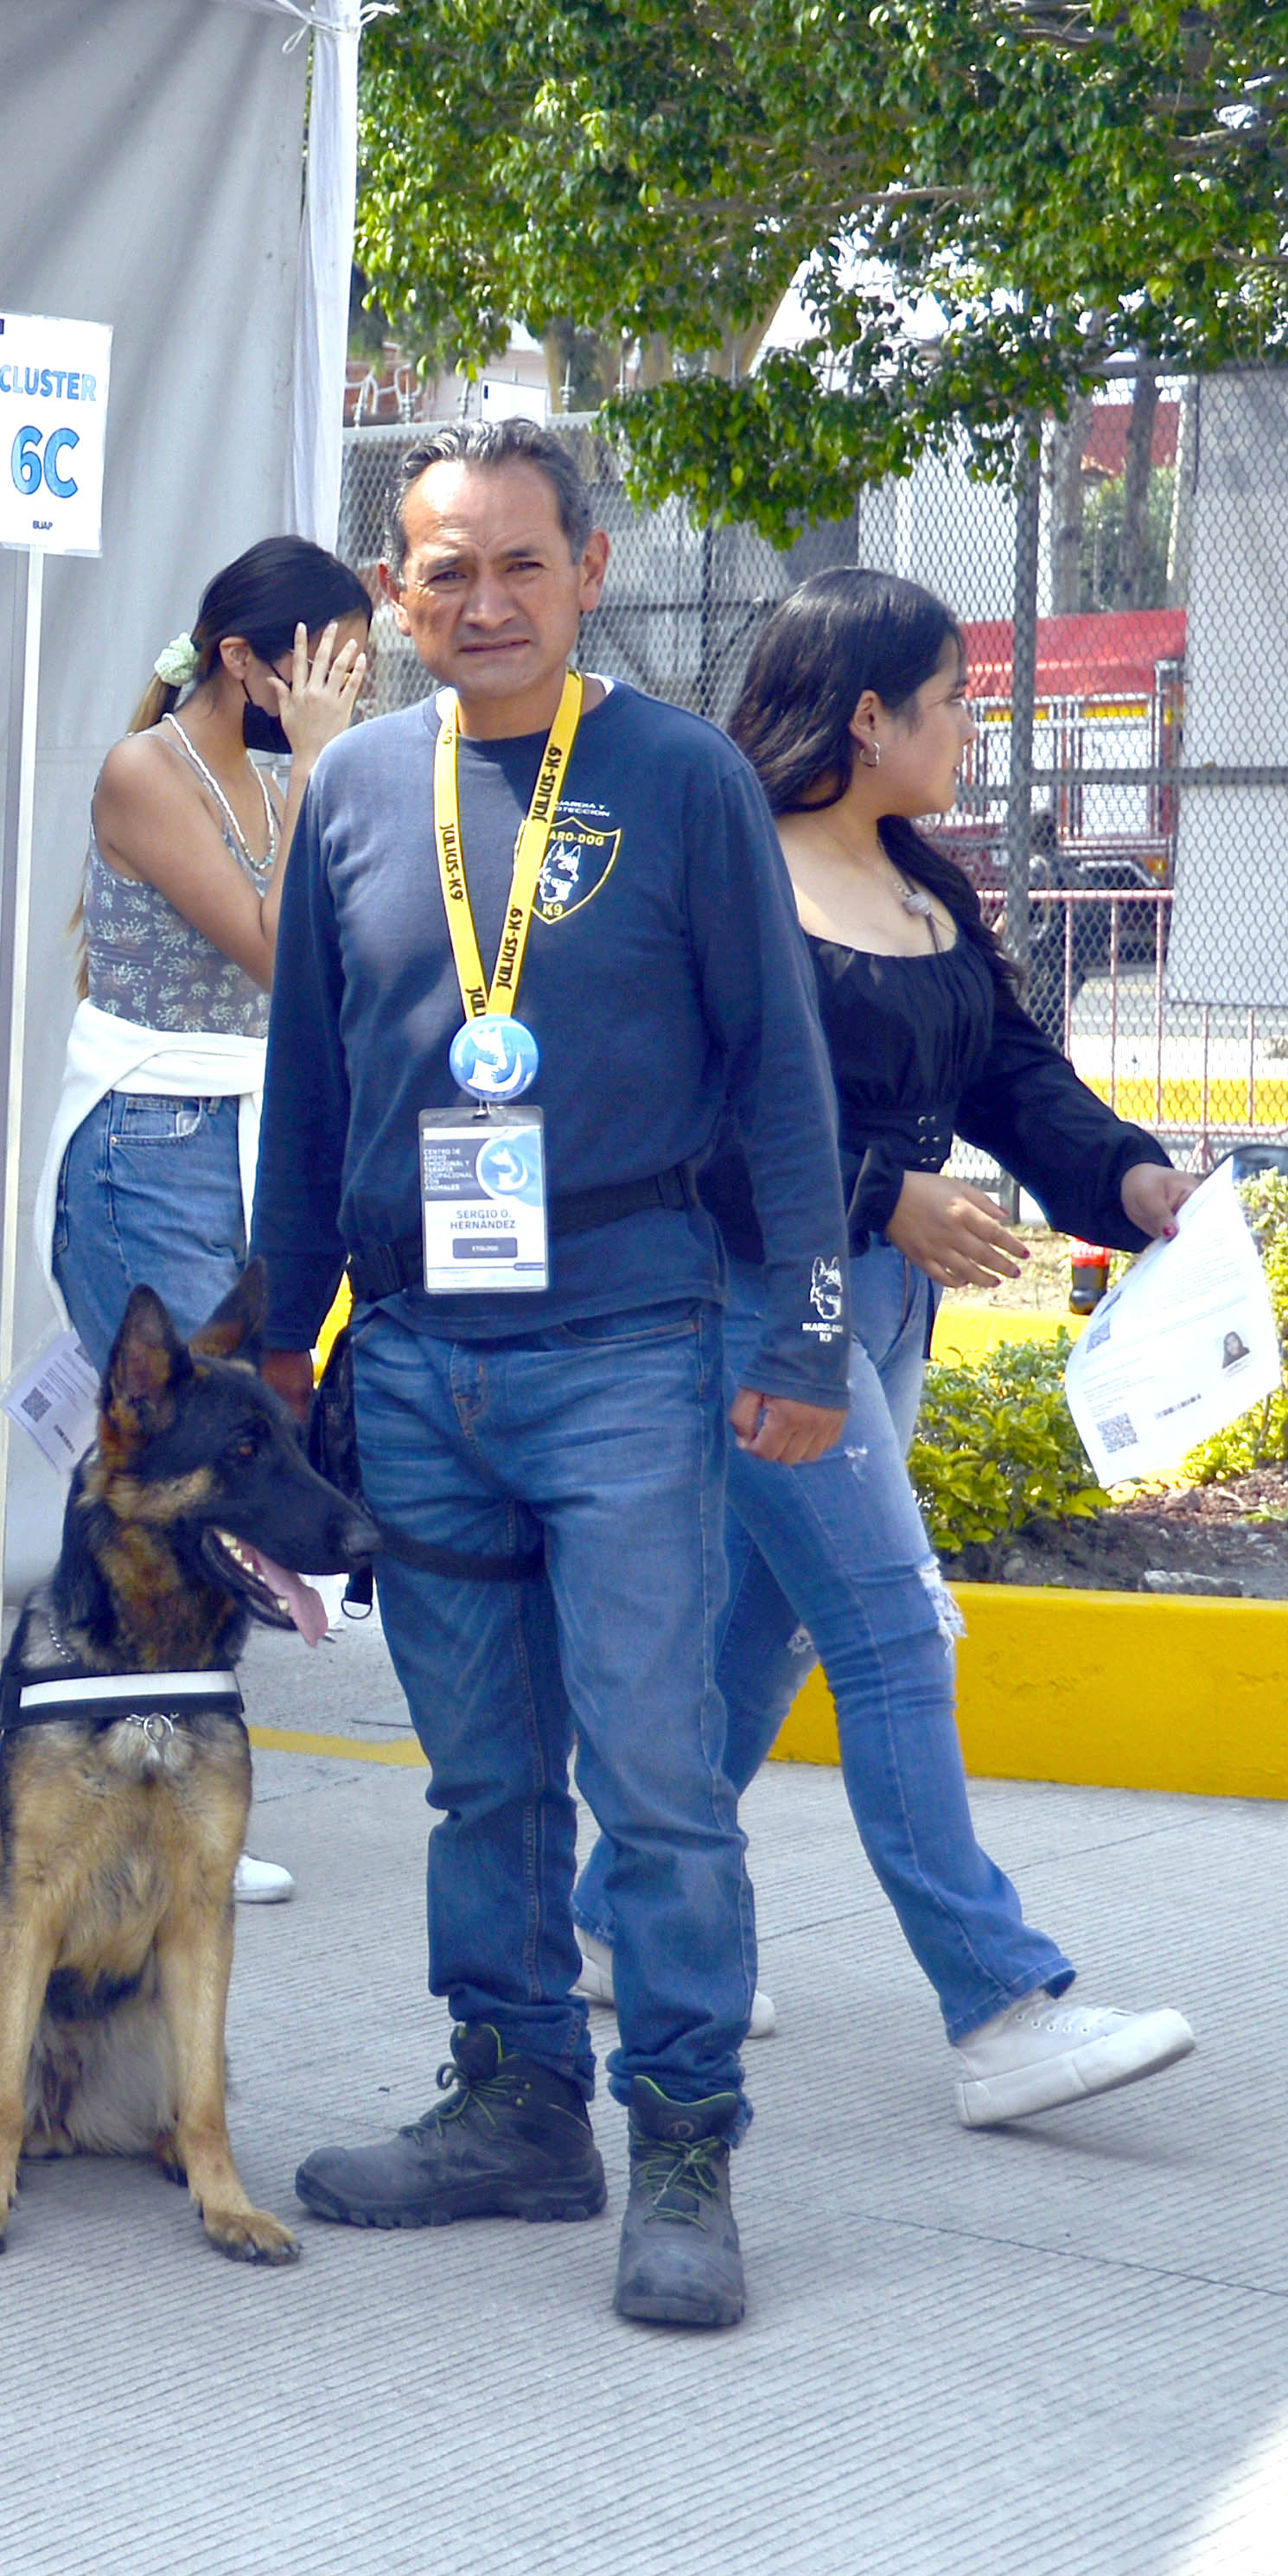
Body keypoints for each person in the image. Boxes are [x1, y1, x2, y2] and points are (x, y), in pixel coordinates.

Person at [253, 418, 851, 2331]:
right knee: (480, 1772)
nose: (485, 601)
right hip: (420, 1356)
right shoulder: (351, 789)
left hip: (628, 1342)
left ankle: (685, 2142)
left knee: (657, 1772)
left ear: (590, 571)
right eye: (446, 570)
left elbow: (780, 1076)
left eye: (521, 563)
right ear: (394, 592)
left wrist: (805, 1331)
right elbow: (310, 1088)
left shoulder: (679, 782)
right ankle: (516, 2102)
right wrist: (281, 1337)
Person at [570, 568, 1200, 2127]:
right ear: (867, 717)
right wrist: (880, 1194)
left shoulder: (929, 889)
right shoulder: (730, 876)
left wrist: (1131, 1177)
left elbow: (1015, 1073)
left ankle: (612, 1909)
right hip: (760, 1299)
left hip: (886, 1304)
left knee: (771, 1629)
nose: (973, 731)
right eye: (952, 703)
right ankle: (1001, 2008)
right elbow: (679, 1124)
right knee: (898, 1630)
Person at [48, 534, 373, 1910]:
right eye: (329, 665)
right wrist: (319, 762)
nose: (349, 692)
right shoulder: (148, 772)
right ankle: (133, 1791)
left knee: (217, 1475)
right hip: (149, 1137)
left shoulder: (284, 766)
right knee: (179, 1477)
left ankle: (162, 1787)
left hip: (241, 1135)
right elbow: (276, 942)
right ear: (247, 662)